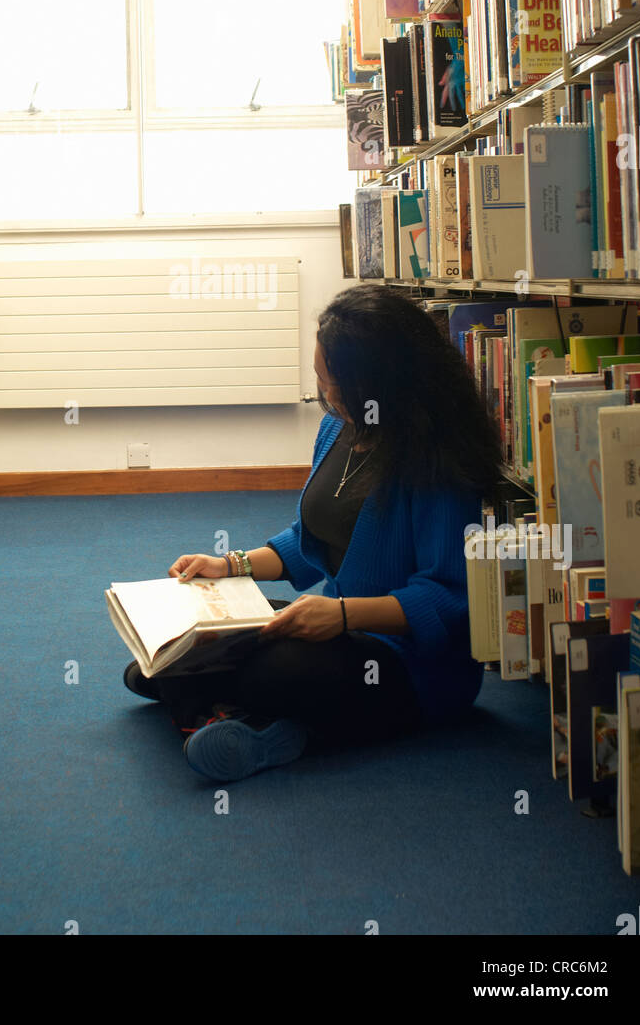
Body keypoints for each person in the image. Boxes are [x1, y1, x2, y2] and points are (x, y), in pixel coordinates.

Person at [123, 284, 504, 783]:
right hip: (335, 628)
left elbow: (451, 599)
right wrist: (229, 565)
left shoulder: (438, 462)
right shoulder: (337, 430)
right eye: (322, 380)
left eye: (338, 384)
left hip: (412, 665)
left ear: (382, 381)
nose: (328, 395)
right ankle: (245, 719)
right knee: (162, 659)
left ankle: (244, 719)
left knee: (266, 672)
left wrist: (343, 615)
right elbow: (310, 540)